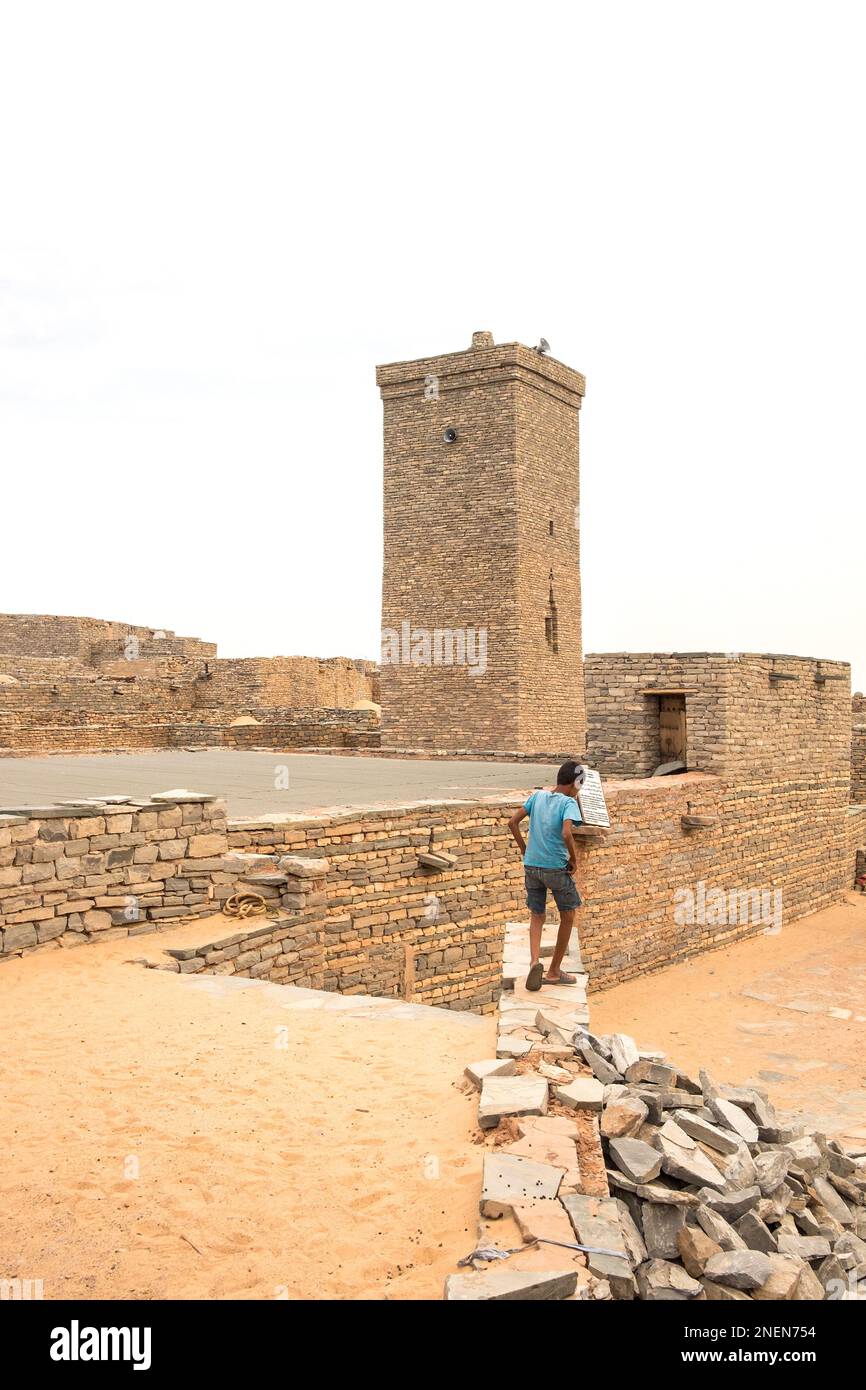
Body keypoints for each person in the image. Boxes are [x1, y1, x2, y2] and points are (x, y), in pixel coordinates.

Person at [507, 759, 584, 990]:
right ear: (575, 784)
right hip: (555, 867)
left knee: (537, 915)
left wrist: (524, 849)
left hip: (531, 865)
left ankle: (533, 962)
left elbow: (512, 823)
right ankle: (553, 971)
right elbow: (566, 833)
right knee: (568, 915)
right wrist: (573, 858)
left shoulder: (537, 797)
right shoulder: (568, 803)